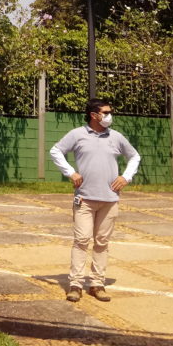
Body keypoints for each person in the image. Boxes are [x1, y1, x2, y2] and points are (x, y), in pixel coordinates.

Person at [50, 98, 140, 303]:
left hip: (110, 199)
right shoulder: (77, 134)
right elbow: (55, 151)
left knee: (102, 242)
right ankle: (75, 284)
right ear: (94, 115)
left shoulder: (116, 137)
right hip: (84, 199)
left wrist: (126, 177)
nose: (110, 115)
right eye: (106, 112)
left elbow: (134, 156)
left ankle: (97, 284)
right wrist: (70, 172)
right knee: (81, 240)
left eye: (109, 112)